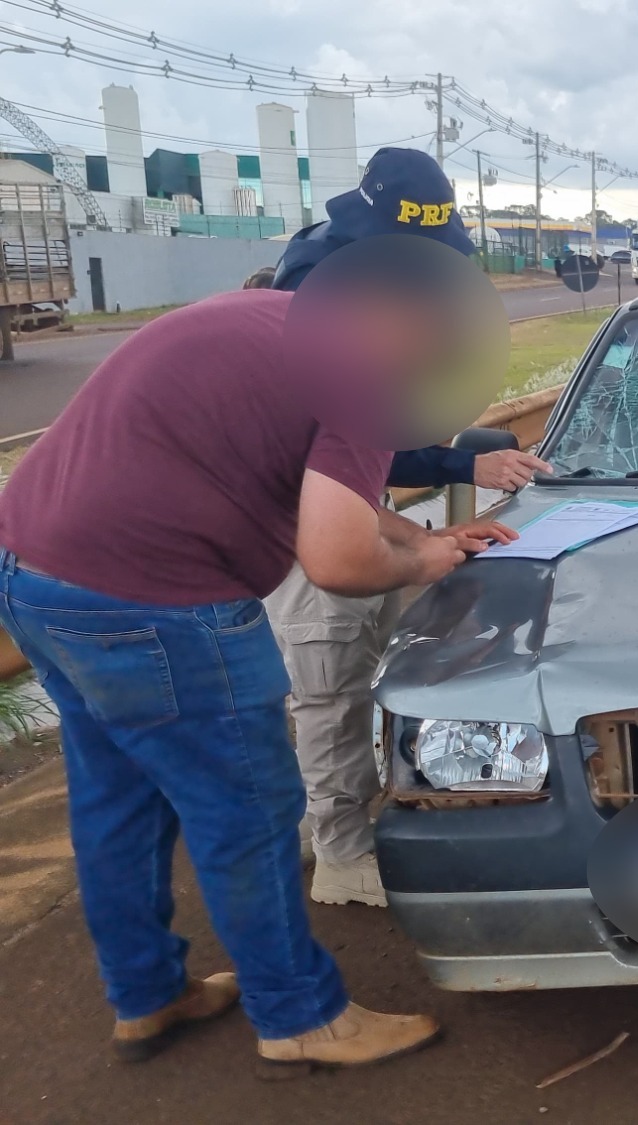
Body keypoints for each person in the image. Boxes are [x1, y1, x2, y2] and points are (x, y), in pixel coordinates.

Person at [0, 274, 515, 1070]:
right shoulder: (368, 380)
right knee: (243, 808)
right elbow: (338, 556)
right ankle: (300, 1014)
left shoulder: (268, 317)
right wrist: (413, 565)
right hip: (158, 599)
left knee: (119, 797)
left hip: (37, 574)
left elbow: (333, 496)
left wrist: (428, 546)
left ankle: (145, 994)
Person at [264, 149, 549, 908]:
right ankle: (342, 853)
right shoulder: (322, 300)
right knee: (328, 681)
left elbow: (375, 440)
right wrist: (439, 506)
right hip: (303, 518)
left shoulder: (364, 288)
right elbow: (348, 439)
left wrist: (452, 476)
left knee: (373, 668)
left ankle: (321, 819)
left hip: (344, 499)